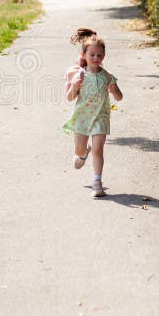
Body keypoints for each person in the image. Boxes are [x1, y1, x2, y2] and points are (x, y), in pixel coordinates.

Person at [62, 27, 123, 197]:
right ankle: (82, 154)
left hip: (100, 118)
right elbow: (69, 98)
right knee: (79, 155)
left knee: (98, 148)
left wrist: (114, 91)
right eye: (92, 55)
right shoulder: (78, 75)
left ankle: (97, 182)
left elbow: (119, 97)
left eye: (99, 55)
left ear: (103, 56)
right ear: (84, 56)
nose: (96, 58)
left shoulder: (108, 76)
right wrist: (74, 87)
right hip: (82, 117)